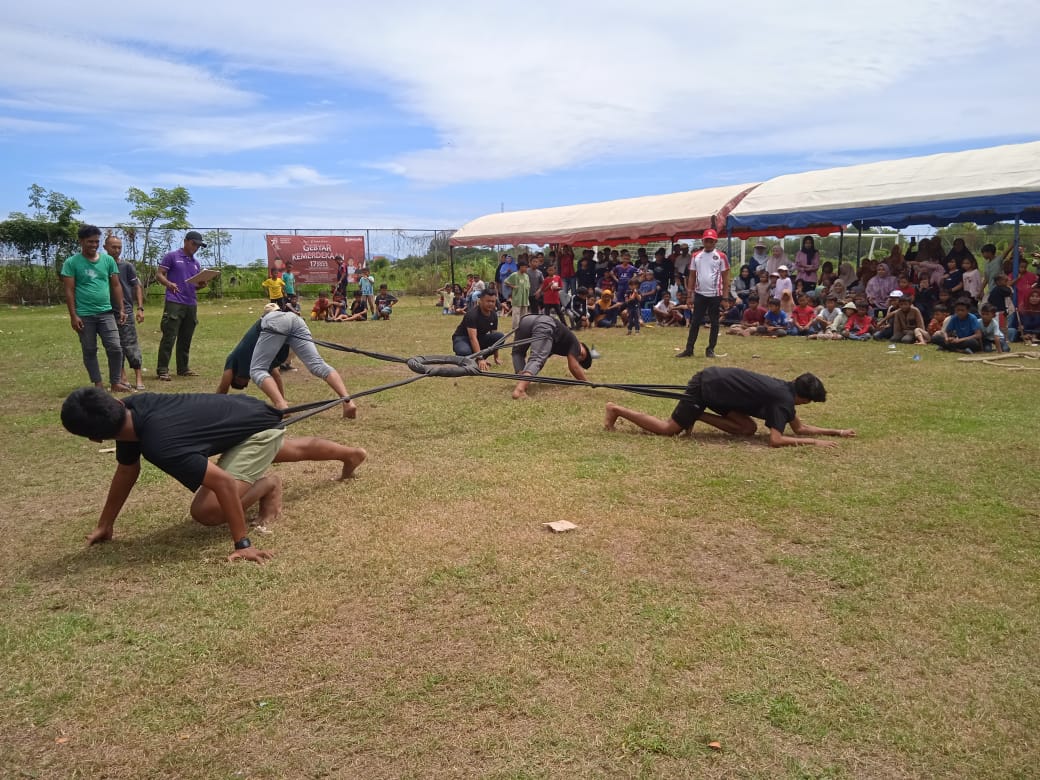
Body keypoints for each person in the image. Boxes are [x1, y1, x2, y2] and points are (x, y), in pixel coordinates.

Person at [60, 387, 367, 564]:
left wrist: (242, 544)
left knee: (206, 510)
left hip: (253, 428)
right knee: (282, 447)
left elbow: (222, 483)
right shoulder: (132, 408)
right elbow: (127, 470)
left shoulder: (159, 443)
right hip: (243, 415)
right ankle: (351, 454)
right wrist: (105, 524)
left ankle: (269, 485)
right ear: (114, 402)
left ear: (95, 438)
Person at [604, 367, 855, 448]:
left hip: (721, 390)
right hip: (707, 386)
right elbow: (776, 440)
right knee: (668, 429)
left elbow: (799, 428)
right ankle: (616, 409)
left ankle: (698, 415)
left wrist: (838, 432)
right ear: (804, 398)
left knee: (747, 428)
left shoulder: (784, 391)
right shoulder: (783, 399)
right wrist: (815, 443)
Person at [250, 308, 358, 417]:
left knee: (257, 370)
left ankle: (282, 406)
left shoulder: (265, 321)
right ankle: (348, 402)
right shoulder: (283, 315)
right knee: (318, 365)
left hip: (276, 324)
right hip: (296, 320)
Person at [61, 225, 129, 392]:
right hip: (84, 315)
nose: (94, 245)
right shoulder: (71, 263)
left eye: (96, 242)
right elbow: (69, 291)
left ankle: (115, 382)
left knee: (115, 347)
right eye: (90, 241)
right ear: (81, 241)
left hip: (106, 313)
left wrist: (121, 308)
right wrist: (73, 315)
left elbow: (116, 285)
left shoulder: (108, 261)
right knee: (90, 350)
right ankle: (98, 384)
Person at [155, 230, 208, 381]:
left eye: (198, 246)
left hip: (191, 303)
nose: (195, 248)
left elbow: (193, 285)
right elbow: (159, 274)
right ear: (185, 241)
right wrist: (169, 284)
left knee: (186, 337)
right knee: (169, 336)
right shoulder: (172, 256)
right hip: (174, 301)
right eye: (194, 244)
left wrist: (201, 285)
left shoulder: (196, 263)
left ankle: (183, 368)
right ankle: (162, 369)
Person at [509, 314, 593, 400]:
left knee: (518, 352)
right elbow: (574, 367)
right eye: (581, 355)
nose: (578, 355)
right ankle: (520, 390)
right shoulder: (576, 343)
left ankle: (522, 381)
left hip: (526, 320)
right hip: (545, 323)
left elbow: (542, 354)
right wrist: (586, 382)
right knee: (537, 359)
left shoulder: (560, 342)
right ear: (582, 347)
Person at [676, 229, 729, 358]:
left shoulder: (721, 256)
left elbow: (726, 278)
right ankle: (689, 349)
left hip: (715, 294)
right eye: (706, 241)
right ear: (703, 241)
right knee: (695, 322)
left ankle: (710, 349)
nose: (709, 243)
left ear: (715, 242)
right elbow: (692, 276)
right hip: (700, 294)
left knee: (714, 322)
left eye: (711, 241)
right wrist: (689, 295)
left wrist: (725, 297)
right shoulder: (696, 256)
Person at [105, 235, 146, 391]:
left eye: (119, 247)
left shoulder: (127, 266)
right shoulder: (101, 266)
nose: (116, 250)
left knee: (130, 344)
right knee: (115, 345)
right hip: (107, 311)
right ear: (105, 247)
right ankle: (122, 377)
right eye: (113, 247)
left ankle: (138, 376)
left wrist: (140, 308)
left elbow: (137, 286)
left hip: (126, 310)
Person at [216, 309, 291, 395]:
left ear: (236, 378)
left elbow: (223, 388)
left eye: (243, 383)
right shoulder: (258, 366)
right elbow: (276, 376)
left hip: (269, 325)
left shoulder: (234, 361)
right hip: (281, 332)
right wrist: (282, 399)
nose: (248, 381)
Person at [451, 289, 503, 370]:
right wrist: (480, 358)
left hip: (479, 338)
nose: (490, 304)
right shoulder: (472, 314)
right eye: (488, 301)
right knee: (464, 352)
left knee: (500, 337)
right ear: (480, 301)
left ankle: (477, 359)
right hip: (463, 338)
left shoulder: (493, 315)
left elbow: (495, 340)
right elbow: (472, 338)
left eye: (493, 301)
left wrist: (496, 357)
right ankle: (475, 359)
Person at [505, 258, 532, 329]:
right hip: (517, 297)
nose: (526, 269)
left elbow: (528, 285)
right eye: (525, 267)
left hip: (525, 297)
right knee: (516, 313)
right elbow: (506, 281)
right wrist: (513, 286)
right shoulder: (515, 274)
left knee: (524, 313)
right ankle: (515, 327)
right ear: (521, 267)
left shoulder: (526, 276)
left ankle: (523, 327)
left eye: (527, 267)